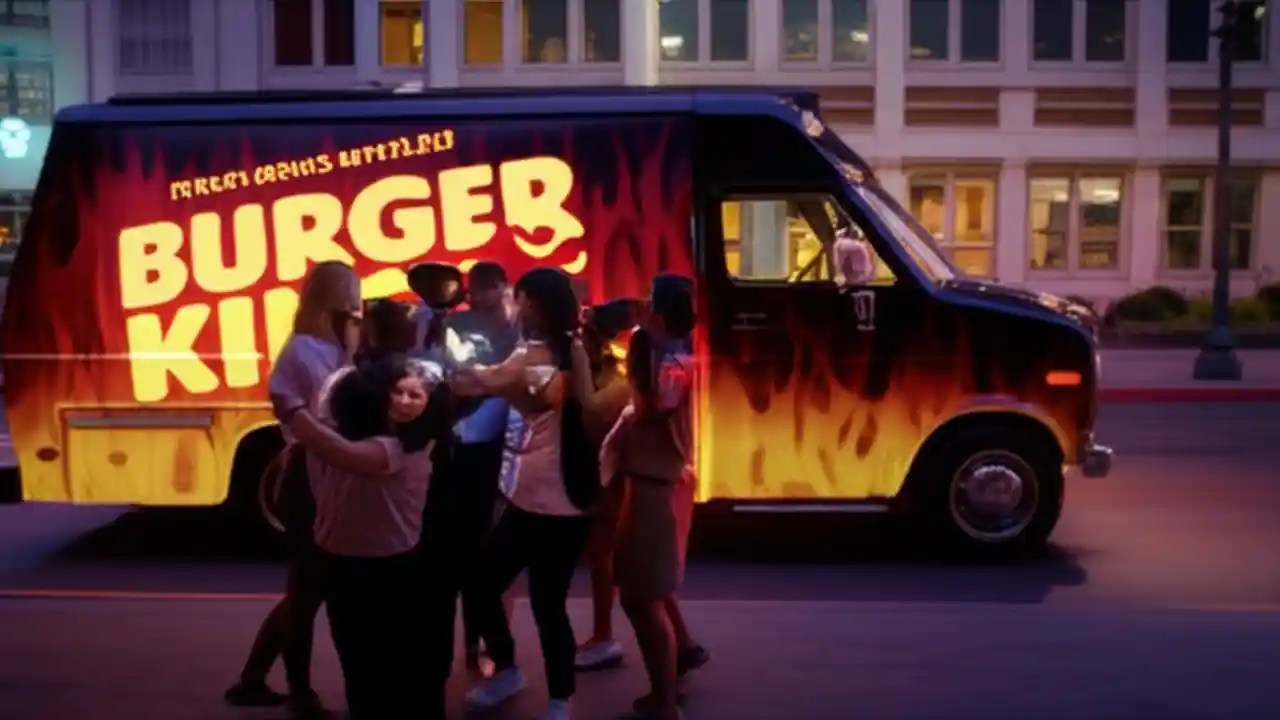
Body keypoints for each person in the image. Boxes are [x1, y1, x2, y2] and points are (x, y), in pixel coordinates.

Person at [453, 268, 600, 720]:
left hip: (556, 503)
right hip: (529, 498)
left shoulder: (542, 352)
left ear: (533, 302)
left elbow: (482, 381)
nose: (514, 307)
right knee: (483, 582)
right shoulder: (565, 347)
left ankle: (558, 699)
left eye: (519, 299)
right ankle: (514, 672)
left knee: (543, 602)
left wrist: (448, 368)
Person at [224, 260, 361, 718]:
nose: (357, 302)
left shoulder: (335, 345)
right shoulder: (303, 350)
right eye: (351, 292)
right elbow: (325, 406)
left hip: (332, 473)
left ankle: (252, 679)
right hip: (306, 473)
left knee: (309, 589)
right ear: (332, 298)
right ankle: (299, 692)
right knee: (307, 589)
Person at [286, 353, 448, 719]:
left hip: (385, 569)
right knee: (366, 669)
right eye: (396, 393)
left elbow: (339, 450)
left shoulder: (401, 449)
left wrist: (292, 410)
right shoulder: (371, 441)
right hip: (355, 567)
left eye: (414, 395)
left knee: (375, 670)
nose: (404, 402)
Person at [601, 274, 710, 720]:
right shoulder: (683, 349)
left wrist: (640, 341)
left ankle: (664, 704)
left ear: (660, 311)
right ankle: (681, 656)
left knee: (639, 597)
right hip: (662, 483)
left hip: (652, 487)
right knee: (653, 588)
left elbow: (647, 407)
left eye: (648, 302)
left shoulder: (655, 347)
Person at [575, 301, 644, 671]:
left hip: (615, 478)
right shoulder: (612, 372)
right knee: (607, 558)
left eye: (585, 335)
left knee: (608, 559)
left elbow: (591, 410)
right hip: (608, 476)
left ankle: (605, 635)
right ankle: (681, 645)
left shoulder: (618, 381)